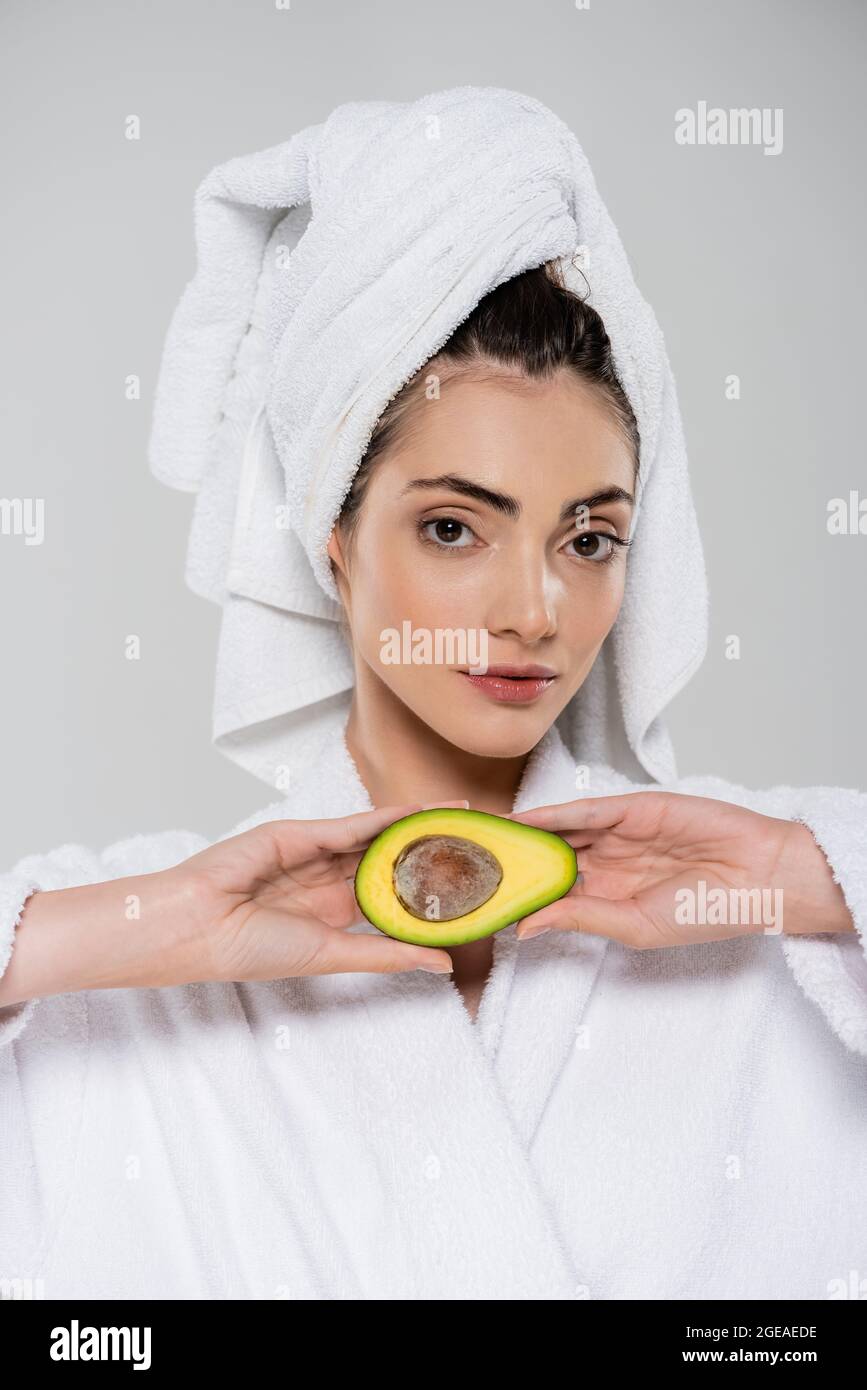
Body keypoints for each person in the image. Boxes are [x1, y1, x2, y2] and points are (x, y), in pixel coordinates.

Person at [2, 88, 866, 1303]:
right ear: (336, 540)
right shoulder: (123, 976)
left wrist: (798, 874)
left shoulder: (770, 932)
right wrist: (146, 928)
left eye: (590, 538)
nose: (535, 610)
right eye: (456, 525)